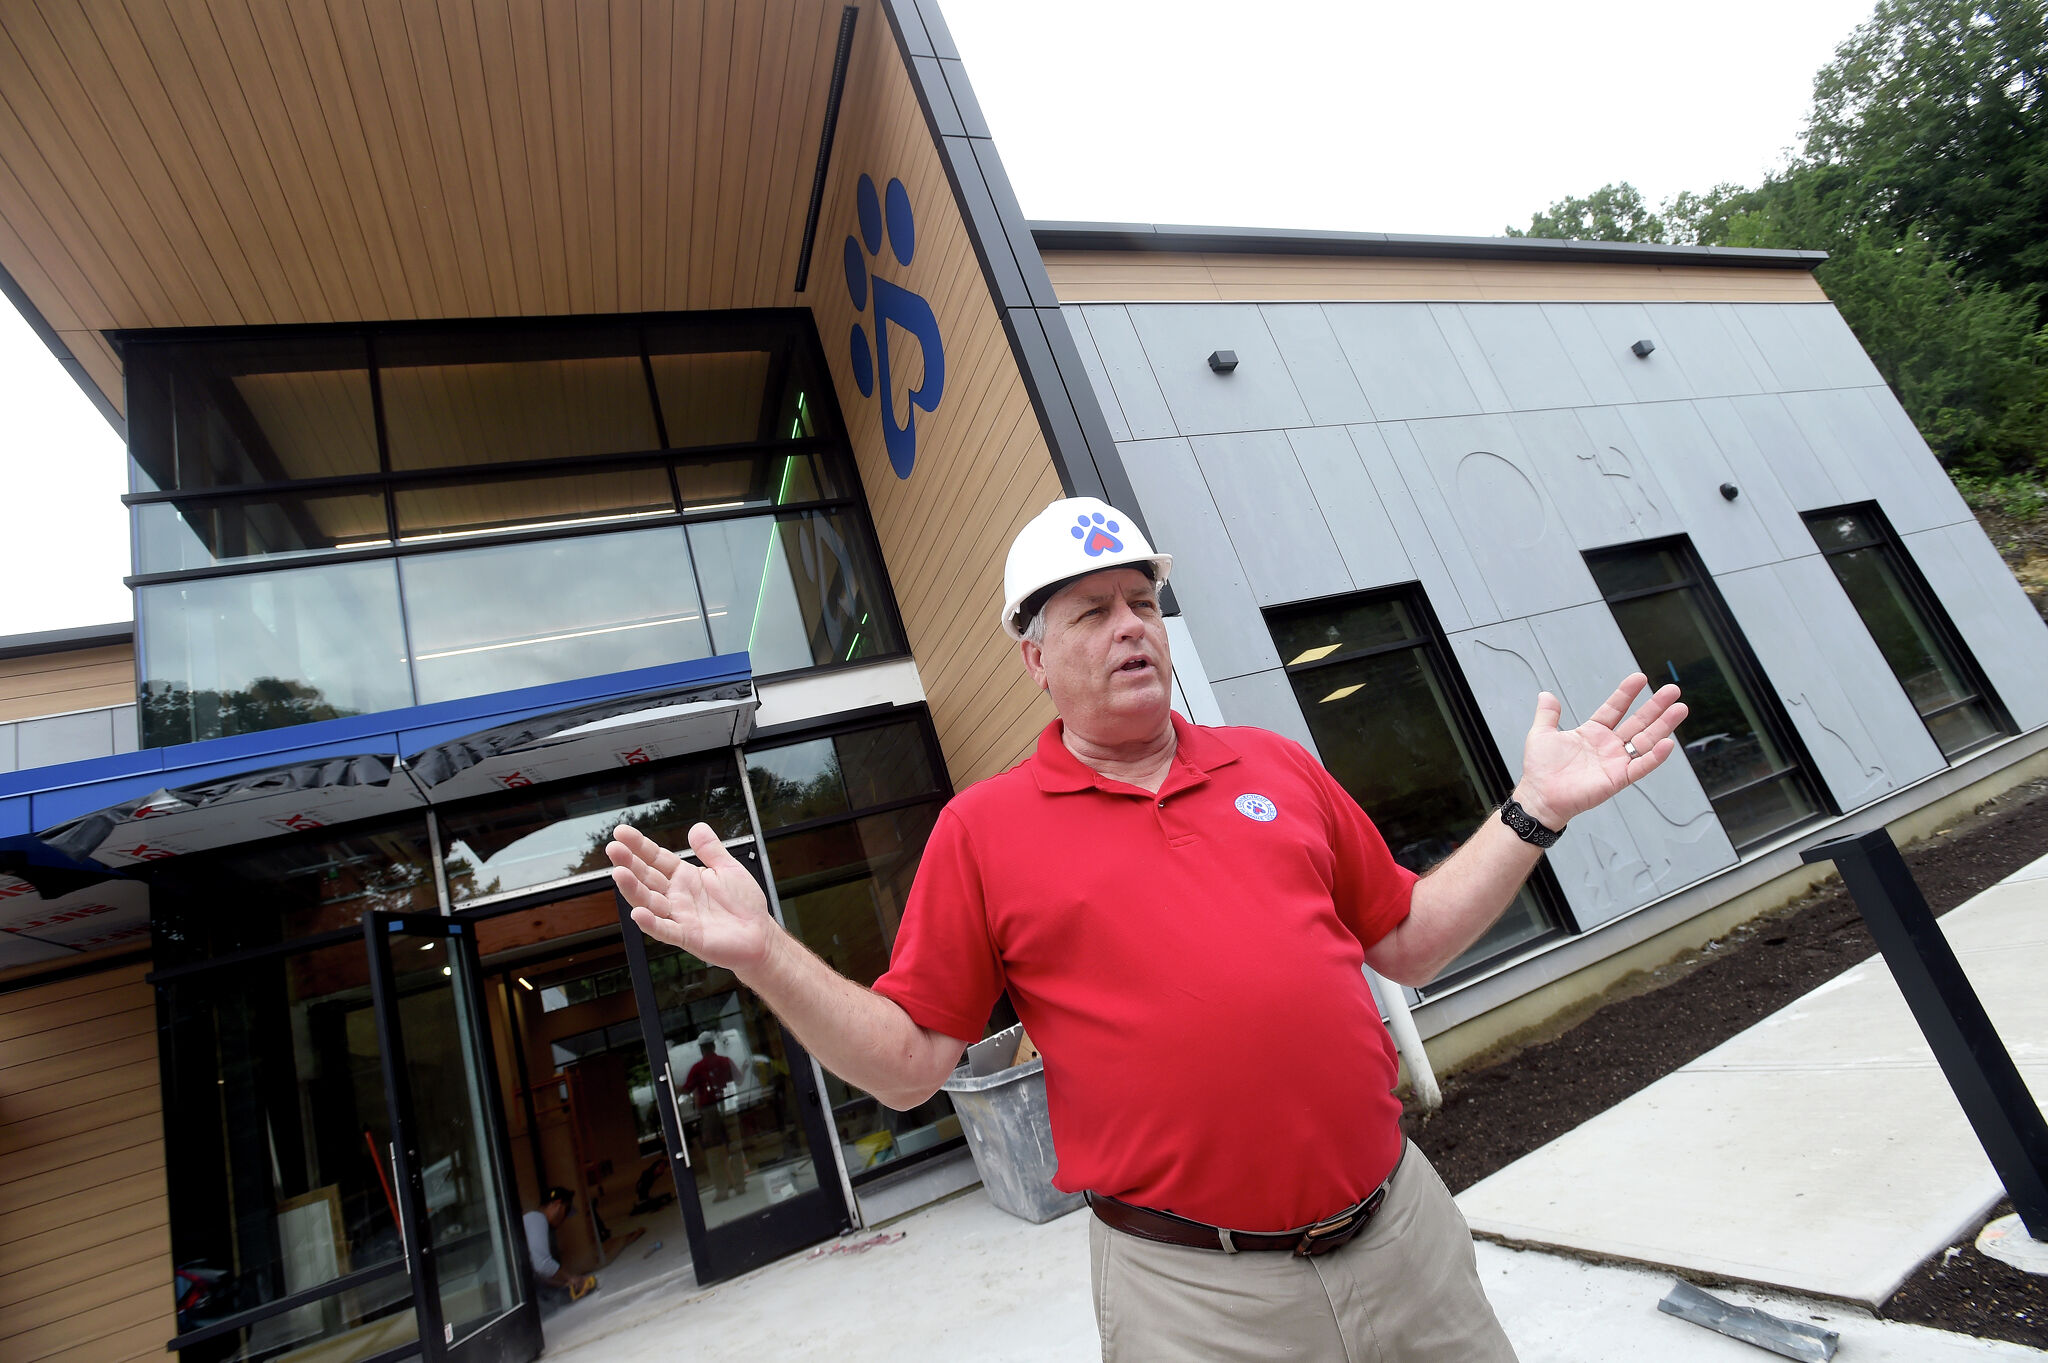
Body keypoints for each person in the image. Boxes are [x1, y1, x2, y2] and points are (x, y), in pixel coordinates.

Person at [608, 497, 1687, 1361]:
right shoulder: (980, 832)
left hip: (1402, 1234)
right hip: (1194, 1302)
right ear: (1033, 658)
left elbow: (1403, 938)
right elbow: (904, 1065)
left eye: (1141, 601)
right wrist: (764, 952)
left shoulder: (1271, 764)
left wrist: (1532, 809)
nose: (1130, 625)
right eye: (1089, 611)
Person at [681, 1035, 746, 1201]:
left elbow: (687, 1090)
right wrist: (744, 1068)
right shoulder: (725, 1061)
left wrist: (672, 1088)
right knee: (735, 1147)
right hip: (728, 1106)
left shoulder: (697, 1068)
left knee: (713, 1151)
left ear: (702, 1049)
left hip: (709, 1111)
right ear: (713, 1046)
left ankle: (722, 1191)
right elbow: (739, 1081)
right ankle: (739, 1185)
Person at [522, 1186, 595, 1316]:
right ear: (557, 1205)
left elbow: (538, 1274)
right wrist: (571, 1278)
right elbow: (543, 1265)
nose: (564, 1218)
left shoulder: (534, 1220)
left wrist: (566, 1283)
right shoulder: (537, 1219)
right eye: (566, 1211)